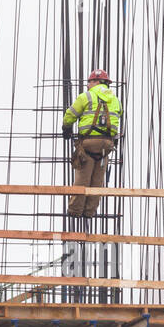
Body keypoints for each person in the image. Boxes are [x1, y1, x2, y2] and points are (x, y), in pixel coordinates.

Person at [61, 69, 122, 218]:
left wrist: (66, 127)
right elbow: (117, 117)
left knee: (82, 178)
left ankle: (75, 211)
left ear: (95, 82)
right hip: (106, 146)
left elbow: (71, 114)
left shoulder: (86, 96)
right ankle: (89, 212)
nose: (87, 85)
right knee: (97, 180)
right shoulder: (115, 100)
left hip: (88, 143)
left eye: (89, 82)